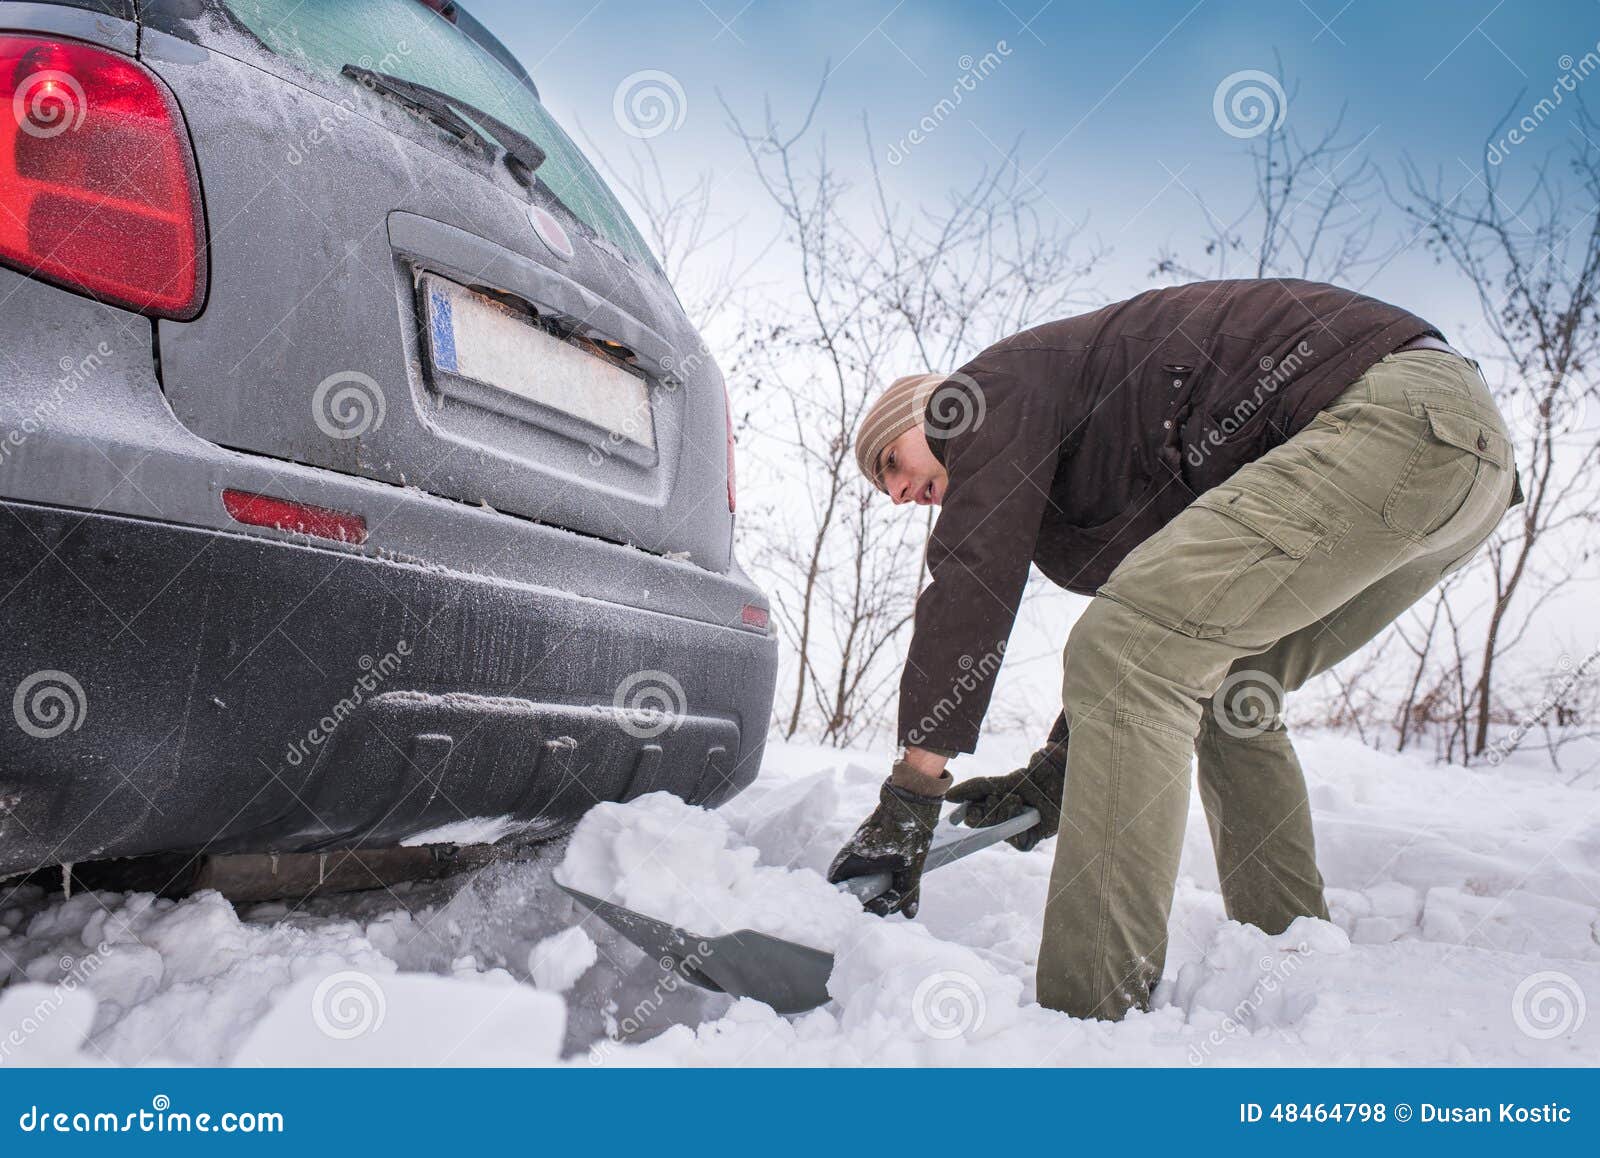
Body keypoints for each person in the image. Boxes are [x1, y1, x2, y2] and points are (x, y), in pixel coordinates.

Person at [826, 278, 1519, 1021]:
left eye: (889, 463)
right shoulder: (1088, 452)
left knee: (1124, 651)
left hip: (1392, 423)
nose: (896, 494)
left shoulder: (983, 392)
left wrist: (913, 791)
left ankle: (1088, 1019)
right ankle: (1289, 961)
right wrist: (1060, 766)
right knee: (1230, 690)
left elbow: (976, 575)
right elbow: (1173, 622)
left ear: (930, 413)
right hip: (1459, 464)